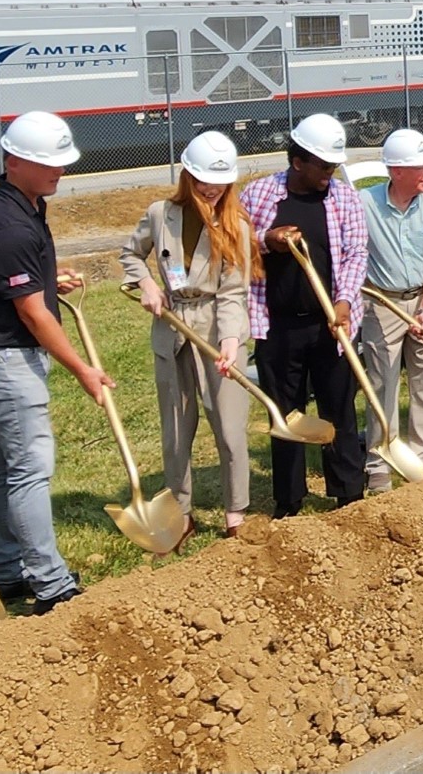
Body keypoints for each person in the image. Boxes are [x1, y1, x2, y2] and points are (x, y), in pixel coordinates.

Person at [0, 111, 113, 616]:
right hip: (2, 357)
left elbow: (24, 287)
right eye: (49, 164)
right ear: (15, 161)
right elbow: (32, 314)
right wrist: (82, 368)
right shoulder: (6, 223)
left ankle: (9, 571)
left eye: (62, 163)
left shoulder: (23, 204)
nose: (59, 172)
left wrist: (49, 279)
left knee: (4, 465)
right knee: (30, 468)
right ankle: (50, 583)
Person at [119, 130, 254, 541]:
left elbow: (234, 292)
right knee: (177, 427)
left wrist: (230, 341)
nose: (211, 189)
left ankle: (236, 514)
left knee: (230, 427)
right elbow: (130, 254)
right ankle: (181, 511)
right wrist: (146, 284)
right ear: (186, 175)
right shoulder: (161, 214)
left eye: (220, 183)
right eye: (202, 181)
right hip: (173, 326)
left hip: (217, 326)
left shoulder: (237, 227)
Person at [243, 113, 369, 518]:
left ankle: (348, 492)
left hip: (331, 324)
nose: (330, 174)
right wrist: (267, 240)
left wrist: (345, 301)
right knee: (285, 413)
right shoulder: (259, 196)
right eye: (324, 166)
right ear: (299, 161)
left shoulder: (344, 198)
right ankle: (289, 500)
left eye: (334, 167)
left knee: (340, 408)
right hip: (277, 323)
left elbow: (354, 255)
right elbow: (235, 245)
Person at [357, 129, 423, 487]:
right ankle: (379, 463)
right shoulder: (365, 204)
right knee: (380, 383)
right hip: (382, 303)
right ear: (396, 171)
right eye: (420, 167)